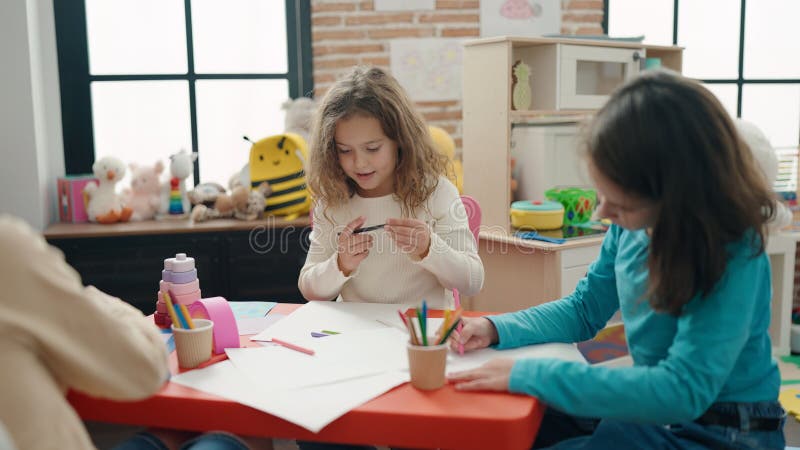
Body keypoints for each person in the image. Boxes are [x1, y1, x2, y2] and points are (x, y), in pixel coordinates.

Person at [447, 70, 786, 450]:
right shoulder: (633, 227)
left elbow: (682, 390)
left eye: (622, 202)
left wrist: (533, 373)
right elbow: (584, 310)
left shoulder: (732, 250)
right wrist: (495, 327)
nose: (604, 212)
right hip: (662, 413)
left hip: (726, 432)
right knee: (506, 419)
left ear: (674, 193)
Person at [0, 215, 255, 450]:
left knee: (172, 433)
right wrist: (93, 299)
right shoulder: (8, 250)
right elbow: (146, 369)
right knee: (246, 433)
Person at [299, 66, 484, 308]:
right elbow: (309, 288)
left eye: (373, 148)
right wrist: (340, 265)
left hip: (421, 334)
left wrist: (430, 248)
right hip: (355, 333)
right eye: (345, 150)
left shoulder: (437, 192)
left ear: (400, 141)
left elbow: (472, 282)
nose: (359, 162)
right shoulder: (333, 202)